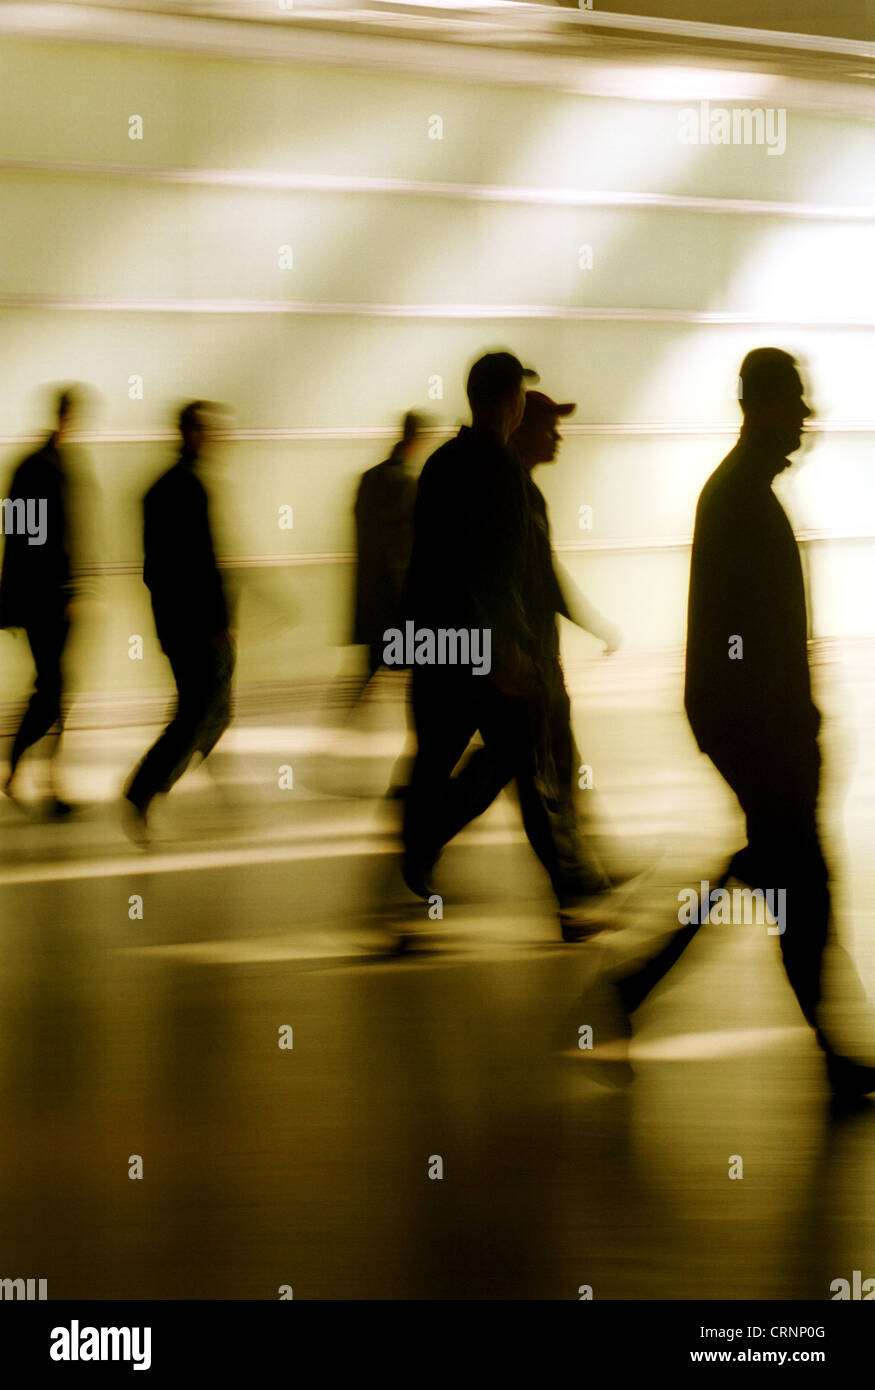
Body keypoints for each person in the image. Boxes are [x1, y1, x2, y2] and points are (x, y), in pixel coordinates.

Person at [608, 348, 875, 1097]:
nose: (805, 416)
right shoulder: (740, 502)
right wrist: (792, 729)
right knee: (799, 878)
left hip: (752, 723)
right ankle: (828, 1047)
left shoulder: (740, 495)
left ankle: (636, 988)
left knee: (776, 870)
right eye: (793, 401)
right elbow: (750, 641)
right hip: (755, 726)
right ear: (757, 407)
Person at [401, 352, 616, 941]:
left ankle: (421, 846)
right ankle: (569, 898)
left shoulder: (442, 463)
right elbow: (498, 573)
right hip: (486, 652)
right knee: (527, 763)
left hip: (438, 647)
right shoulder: (499, 472)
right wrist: (506, 649)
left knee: (445, 756)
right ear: (509, 403)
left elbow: (430, 565)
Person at [123, 401, 234, 842]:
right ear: (192, 433)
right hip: (196, 624)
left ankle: (156, 785)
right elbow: (201, 565)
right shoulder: (186, 488)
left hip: (177, 622)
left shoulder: (163, 488)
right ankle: (143, 789)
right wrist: (216, 620)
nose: (217, 438)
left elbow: (156, 570)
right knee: (198, 713)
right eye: (209, 429)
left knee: (206, 710)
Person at [0, 385, 90, 815]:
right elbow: (30, 539)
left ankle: (38, 776)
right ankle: (22, 769)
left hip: (45, 596)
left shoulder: (37, 463)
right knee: (53, 689)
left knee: (53, 688)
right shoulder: (44, 466)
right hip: (47, 599)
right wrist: (62, 588)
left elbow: (16, 532)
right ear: (68, 416)